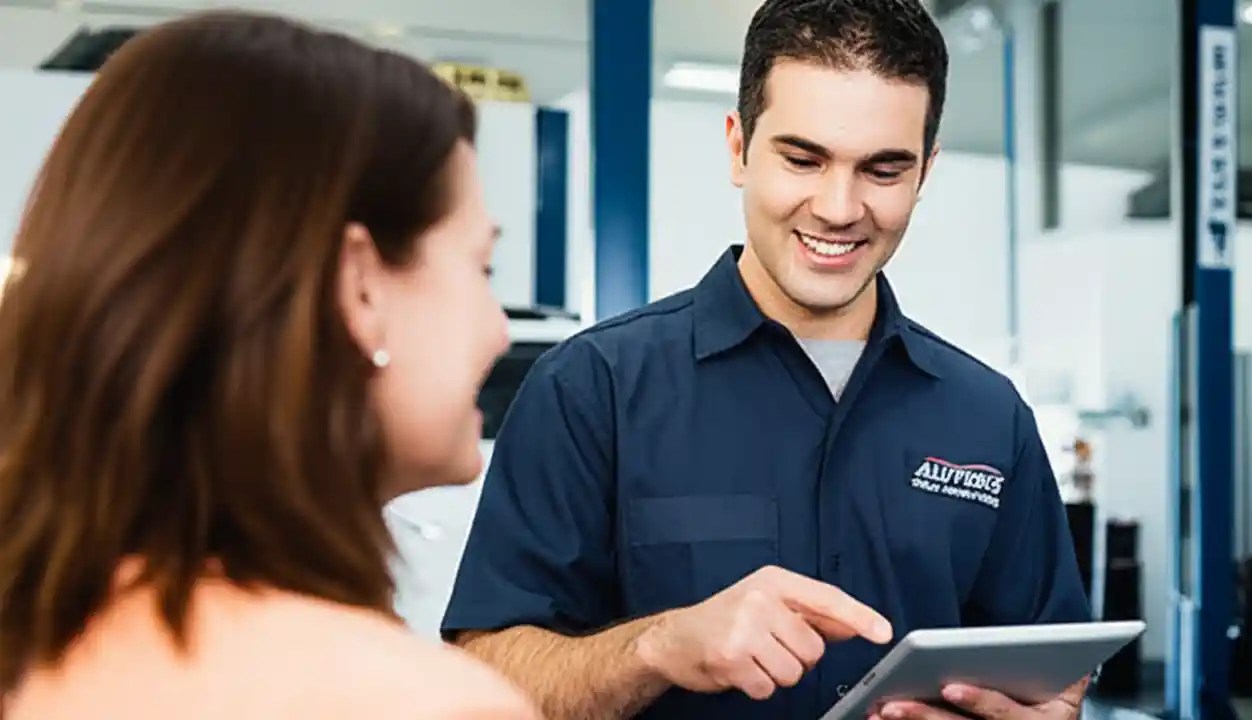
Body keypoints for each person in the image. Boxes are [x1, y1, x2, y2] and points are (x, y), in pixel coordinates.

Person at [440, 1, 1091, 719]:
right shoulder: (593, 389)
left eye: (883, 169)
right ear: (738, 148)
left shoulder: (989, 417)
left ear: (924, 172)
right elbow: (480, 679)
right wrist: (659, 645)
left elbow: (1051, 676)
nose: (840, 208)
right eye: (803, 159)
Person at [0, 11, 539, 720]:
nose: (500, 332)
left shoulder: (43, 646)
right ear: (360, 286)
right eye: (481, 265)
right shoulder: (409, 702)